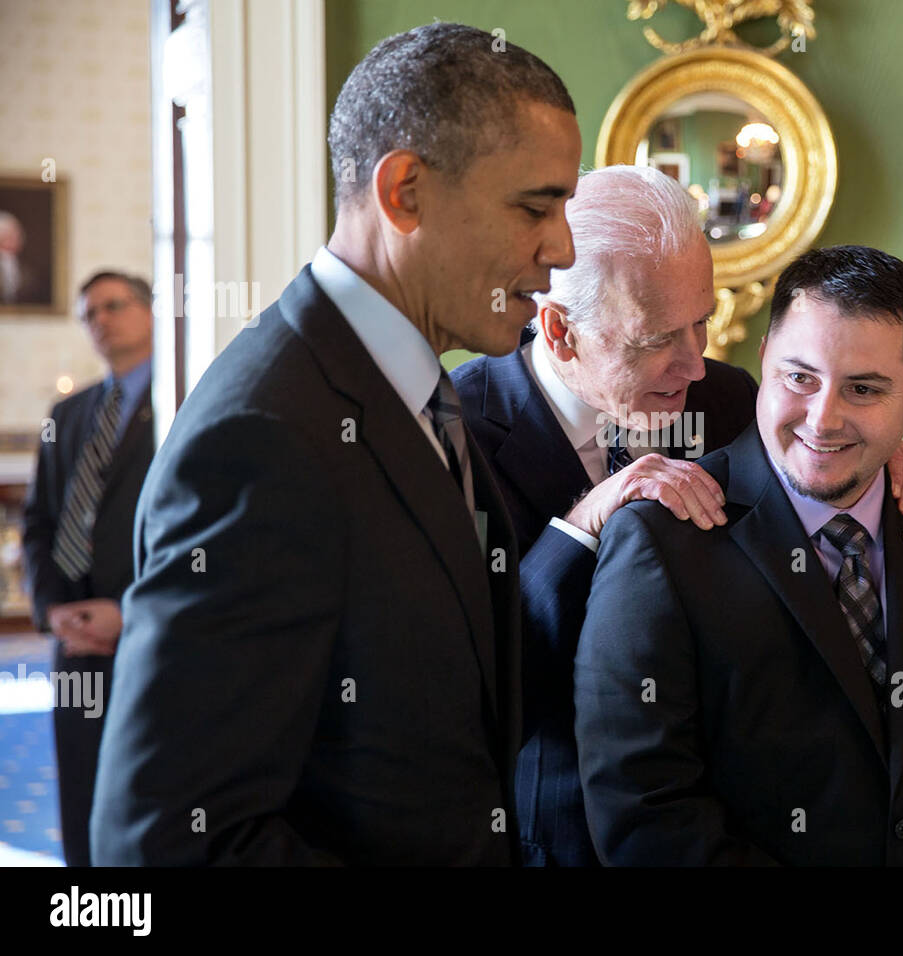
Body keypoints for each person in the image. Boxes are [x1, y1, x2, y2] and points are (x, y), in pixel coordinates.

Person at [90, 22, 580, 865]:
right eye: (535, 207)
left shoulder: (419, 393)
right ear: (406, 192)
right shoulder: (263, 439)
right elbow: (166, 838)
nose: (561, 249)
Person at [452, 169, 903, 865]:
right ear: (561, 332)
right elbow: (470, 699)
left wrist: (878, 454)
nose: (694, 363)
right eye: (657, 337)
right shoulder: (450, 435)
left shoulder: (726, 398)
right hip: (554, 847)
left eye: (702, 321)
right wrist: (584, 523)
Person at [574, 245, 903, 865]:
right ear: (764, 361)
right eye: (799, 377)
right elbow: (644, 808)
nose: (823, 417)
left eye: (864, 389)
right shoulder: (661, 541)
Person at [21, 270, 155, 866]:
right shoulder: (69, 414)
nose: (100, 320)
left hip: (151, 636)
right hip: (74, 642)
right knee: (81, 790)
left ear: (149, 312)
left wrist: (129, 613)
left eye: (113, 306)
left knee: (150, 796)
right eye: (88, 313)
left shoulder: (186, 400)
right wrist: (53, 613)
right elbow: (38, 524)